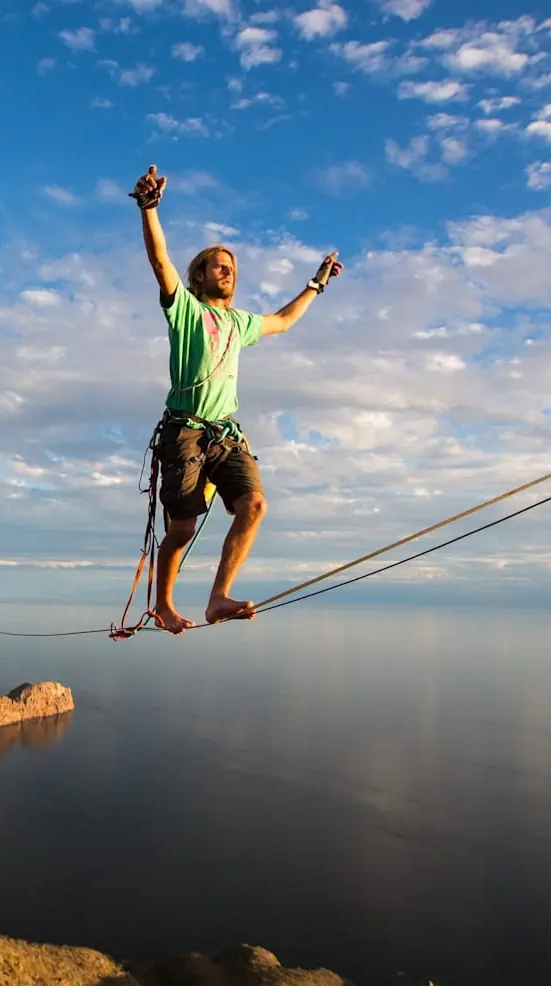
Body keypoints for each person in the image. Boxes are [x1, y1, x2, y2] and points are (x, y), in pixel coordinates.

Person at [131, 164, 343, 634]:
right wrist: (149, 210)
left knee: (255, 505)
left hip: (225, 432)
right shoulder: (184, 309)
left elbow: (284, 321)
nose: (227, 272)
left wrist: (316, 284)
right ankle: (164, 605)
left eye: (232, 269)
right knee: (181, 530)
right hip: (184, 432)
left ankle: (217, 597)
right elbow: (159, 261)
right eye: (218, 266)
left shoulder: (241, 323)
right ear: (200, 275)